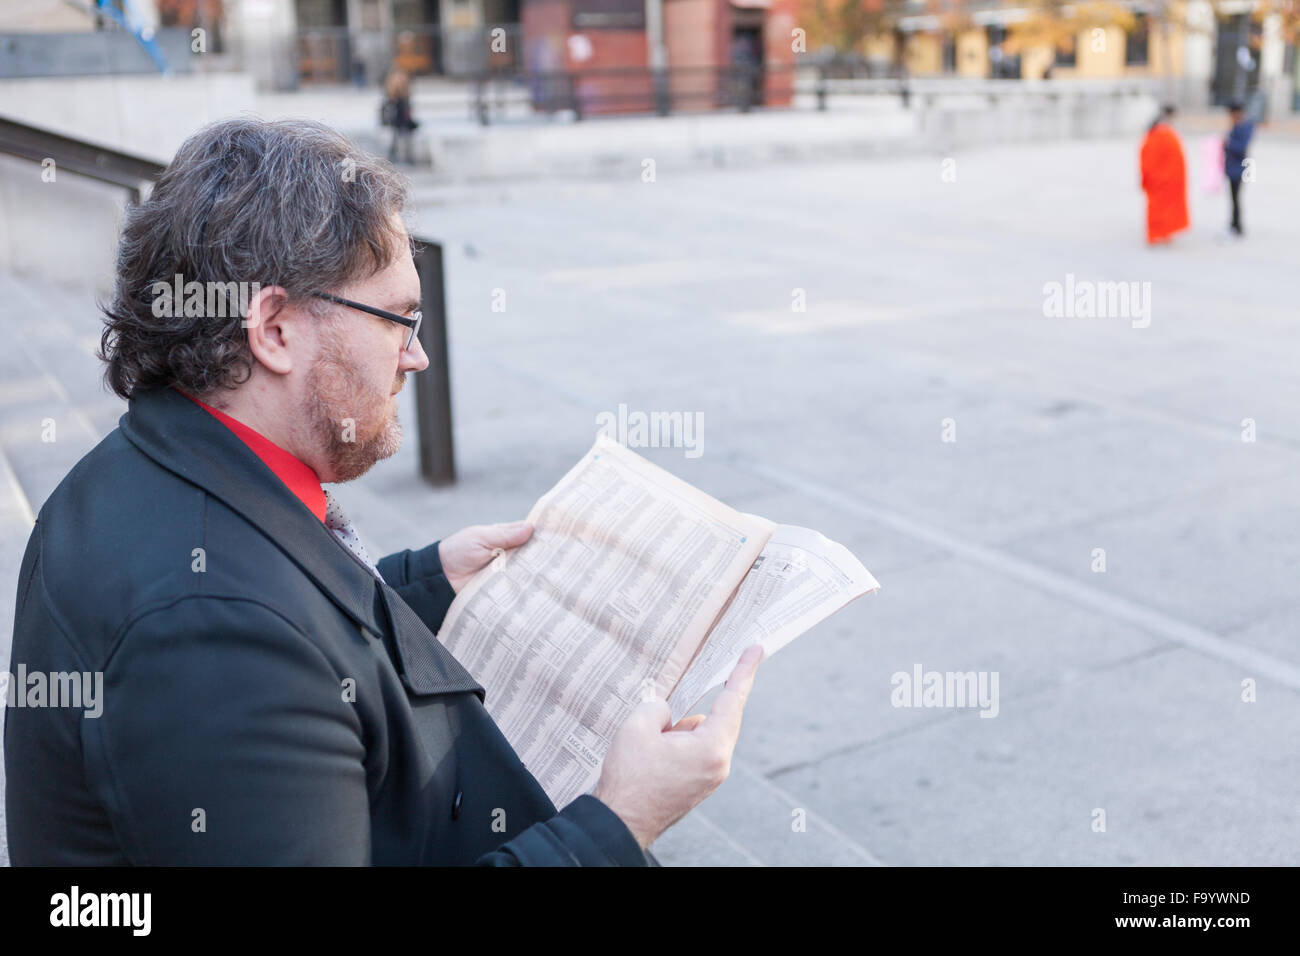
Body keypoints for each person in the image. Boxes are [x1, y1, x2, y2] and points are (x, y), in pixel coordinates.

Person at [4, 117, 764, 865]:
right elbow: (256, 634)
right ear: (274, 328)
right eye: (398, 319)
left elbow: (285, 598)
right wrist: (619, 822)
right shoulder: (212, 638)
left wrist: (424, 583)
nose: (418, 356)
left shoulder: (149, 467)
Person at [1138, 104, 1189, 245]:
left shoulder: (1165, 131)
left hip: (1168, 177)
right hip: (1159, 177)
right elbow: (1150, 156)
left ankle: (1165, 232)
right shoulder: (1159, 132)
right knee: (1157, 208)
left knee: (1166, 208)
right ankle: (1156, 233)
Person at [1224, 99, 1256, 237]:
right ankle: (1234, 224)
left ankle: (1237, 226)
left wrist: (1227, 144)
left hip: (1241, 167)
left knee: (1236, 198)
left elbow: (1241, 148)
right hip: (1236, 166)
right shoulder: (1238, 125)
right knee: (1234, 198)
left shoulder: (1245, 126)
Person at [381, 67, 418, 164]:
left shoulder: (392, 85)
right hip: (402, 116)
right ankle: (408, 157)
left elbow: (389, 98)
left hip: (397, 116)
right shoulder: (402, 84)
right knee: (404, 137)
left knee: (396, 137)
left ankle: (394, 156)